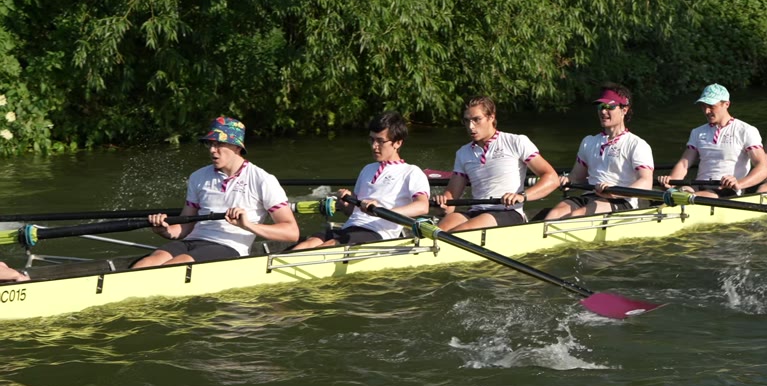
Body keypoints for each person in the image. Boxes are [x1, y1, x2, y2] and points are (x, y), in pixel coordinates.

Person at [132, 117, 299, 267]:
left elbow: (291, 233)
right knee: (145, 264)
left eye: (219, 144)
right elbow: (185, 227)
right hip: (193, 241)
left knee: (176, 265)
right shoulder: (198, 177)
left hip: (229, 247)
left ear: (236, 147)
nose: (212, 150)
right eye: (210, 144)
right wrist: (163, 230)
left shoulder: (263, 180)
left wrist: (247, 225)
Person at [291, 112, 432, 249]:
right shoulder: (367, 169)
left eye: (380, 141)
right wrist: (346, 203)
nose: (374, 146)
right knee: (308, 243)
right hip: (350, 227)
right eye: (371, 140)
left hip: (378, 233)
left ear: (397, 143)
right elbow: (353, 211)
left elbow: (422, 206)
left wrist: (381, 210)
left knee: (328, 246)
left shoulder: (411, 172)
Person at [431, 96, 560, 231]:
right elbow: (451, 198)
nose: (471, 126)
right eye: (467, 121)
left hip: (507, 212)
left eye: (476, 120)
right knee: (438, 231)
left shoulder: (516, 142)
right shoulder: (463, 153)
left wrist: (522, 196)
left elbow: (552, 178)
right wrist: (442, 204)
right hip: (475, 210)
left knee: (457, 233)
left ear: (491, 117)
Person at [545, 83, 654, 219]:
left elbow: (646, 182)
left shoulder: (637, 144)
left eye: (610, 107)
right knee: (553, 215)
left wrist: (615, 193)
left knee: (576, 216)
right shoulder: (588, 142)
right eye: (601, 106)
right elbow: (577, 177)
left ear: (624, 109)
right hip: (590, 194)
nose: (603, 111)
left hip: (621, 200)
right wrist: (565, 180)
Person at [658, 84, 767, 197]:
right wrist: (671, 181)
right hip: (699, 185)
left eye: (711, 106)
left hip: (727, 189)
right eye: (703, 106)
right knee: (681, 192)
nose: (706, 111)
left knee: (690, 198)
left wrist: (739, 184)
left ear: (726, 104)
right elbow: (684, 164)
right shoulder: (697, 132)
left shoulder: (746, 130)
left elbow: (764, 168)